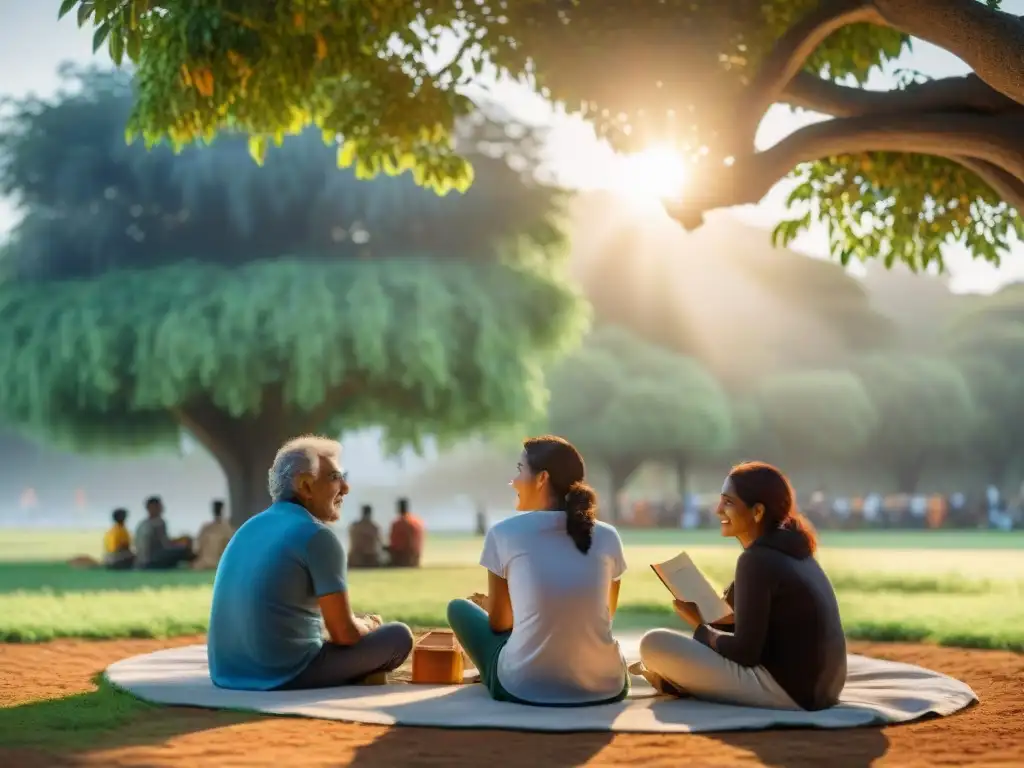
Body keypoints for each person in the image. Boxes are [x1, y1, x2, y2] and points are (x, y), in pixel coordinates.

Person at [207, 435, 414, 691]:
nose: (346, 488)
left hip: (227, 672)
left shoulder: (248, 527)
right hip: (285, 674)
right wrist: (370, 626)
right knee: (398, 637)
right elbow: (344, 634)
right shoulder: (317, 536)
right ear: (305, 486)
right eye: (335, 477)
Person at [637, 461, 846, 711]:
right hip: (824, 691)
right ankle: (681, 682)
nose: (717, 510)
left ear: (757, 511)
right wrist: (721, 623)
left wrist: (700, 627)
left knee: (653, 643)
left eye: (728, 502)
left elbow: (745, 652)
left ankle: (680, 683)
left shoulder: (756, 559)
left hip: (790, 693)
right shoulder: (792, 549)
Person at [446, 435, 630, 706]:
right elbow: (605, 614)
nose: (513, 481)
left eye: (520, 470)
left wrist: (493, 606)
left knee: (458, 608)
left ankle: (495, 671)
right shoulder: (608, 536)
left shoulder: (503, 533)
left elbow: (500, 624)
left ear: (542, 478)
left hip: (523, 686)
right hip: (606, 684)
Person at [135, 496, 195, 570]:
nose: (161, 509)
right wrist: (182, 542)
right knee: (184, 551)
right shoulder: (155, 523)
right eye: (159, 507)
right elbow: (165, 544)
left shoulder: (146, 524)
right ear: (150, 508)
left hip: (147, 560)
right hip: (151, 560)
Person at [192, 500, 234, 570]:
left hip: (219, 563)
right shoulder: (206, 528)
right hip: (204, 563)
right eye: (216, 509)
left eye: (218, 509)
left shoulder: (226, 529)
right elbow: (197, 548)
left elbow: (230, 549)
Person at [387, 497, 424, 567]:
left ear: (398, 508)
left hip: (402, 560)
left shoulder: (397, 523)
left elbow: (394, 544)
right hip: (415, 559)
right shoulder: (418, 522)